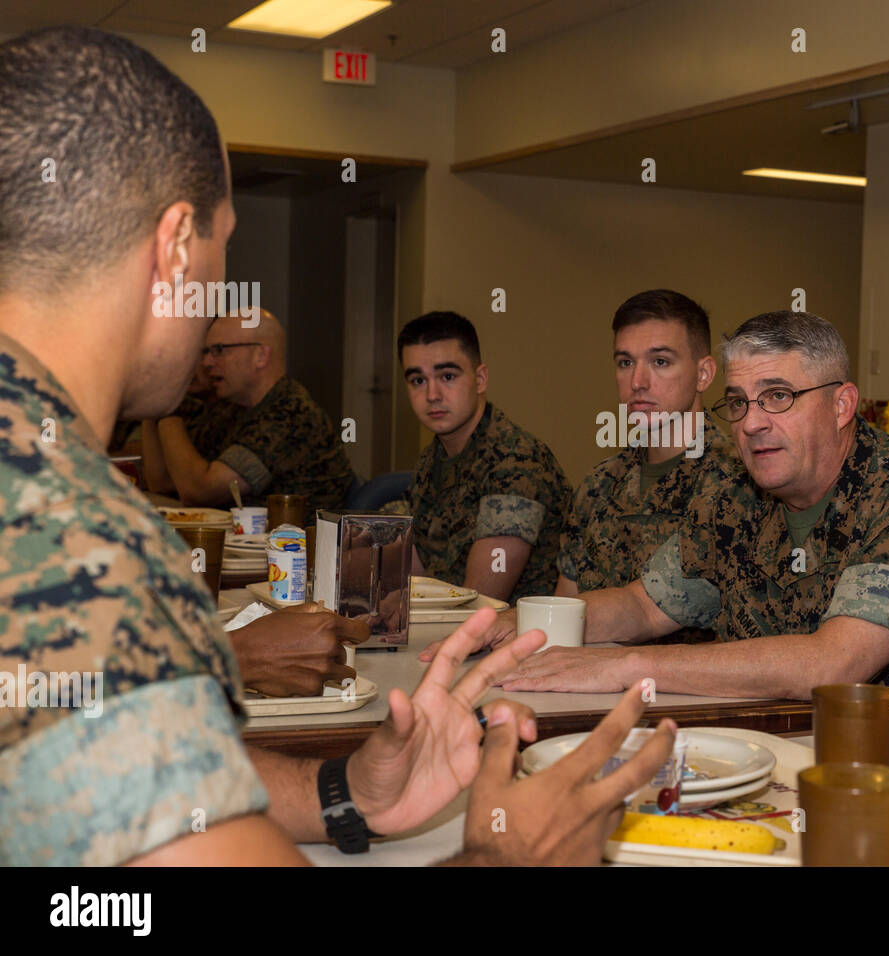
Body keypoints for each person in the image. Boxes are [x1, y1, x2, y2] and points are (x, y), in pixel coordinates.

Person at [0, 25, 673, 866]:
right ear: (175, 245)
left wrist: (343, 792)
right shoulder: (72, 536)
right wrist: (515, 855)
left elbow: (101, 755)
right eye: (223, 247)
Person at [433, 312, 889, 700]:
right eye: (738, 402)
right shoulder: (736, 492)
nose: (752, 422)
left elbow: (835, 664)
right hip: (760, 746)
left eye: (778, 396)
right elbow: (644, 606)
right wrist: (516, 626)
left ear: (842, 404)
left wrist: (628, 667)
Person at [557, 289, 744, 642]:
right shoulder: (599, 484)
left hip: (690, 693)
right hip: (584, 688)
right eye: (625, 362)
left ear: (704, 374)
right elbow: (564, 609)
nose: (637, 382)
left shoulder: (737, 483)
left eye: (660, 361)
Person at [388, 312, 571, 603]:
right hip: (452, 627)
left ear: (480, 378)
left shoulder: (515, 461)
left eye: (447, 376)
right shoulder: (433, 458)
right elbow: (417, 571)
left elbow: (480, 601)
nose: (432, 394)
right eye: (418, 380)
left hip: (515, 638)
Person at [142, 308, 355, 515]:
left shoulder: (289, 413)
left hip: (293, 548)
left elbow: (200, 491)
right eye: (206, 352)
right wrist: (155, 407)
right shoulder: (231, 408)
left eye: (219, 350)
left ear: (260, 356)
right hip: (248, 544)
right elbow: (165, 482)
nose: (206, 362)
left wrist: (169, 405)